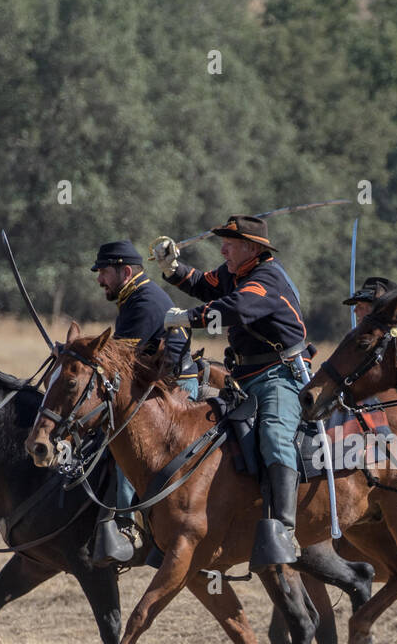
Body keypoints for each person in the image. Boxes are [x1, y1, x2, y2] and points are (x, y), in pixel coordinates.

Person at [151, 216, 310, 569]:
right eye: (223, 242)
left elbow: (234, 310)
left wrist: (187, 319)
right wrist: (172, 267)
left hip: (279, 375)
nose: (222, 249)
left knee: (274, 436)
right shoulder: (234, 272)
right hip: (244, 375)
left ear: (252, 248)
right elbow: (202, 283)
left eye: (230, 243)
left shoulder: (265, 278)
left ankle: (284, 529)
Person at [88, 240, 198, 566]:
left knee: (130, 441)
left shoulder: (145, 301)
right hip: (154, 383)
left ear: (125, 271)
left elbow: (120, 359)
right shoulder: (133, 297)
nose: (99, 280)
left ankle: (129, 527)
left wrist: (83, 354)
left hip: (176, 386)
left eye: (104, 272)